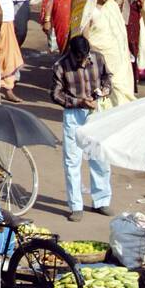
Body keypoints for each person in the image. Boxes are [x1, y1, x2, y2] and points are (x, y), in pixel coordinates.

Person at [52, 34, 113, 222]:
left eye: (85, 56)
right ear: (72, 53)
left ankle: (101, 201)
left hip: (96, 111)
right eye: (80, 58)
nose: (83, 60)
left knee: (99, 157)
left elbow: (107, 76)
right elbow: (56, 94)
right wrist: (79, 102)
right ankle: (76, 206)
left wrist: (105, 89)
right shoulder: (61, 66)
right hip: (74, 114)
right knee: (72, 160)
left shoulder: (98, 58)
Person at [79, 0, 136, 104]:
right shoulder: (90, 9)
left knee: (120, 85)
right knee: (105, 85)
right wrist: (91, 51)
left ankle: (122, 110)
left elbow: (120, 31)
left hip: (117, 56)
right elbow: (85, 33)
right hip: (99, 54)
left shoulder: (113, 6)